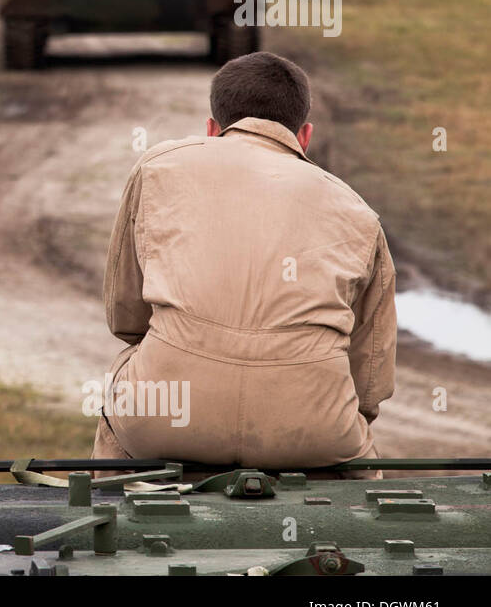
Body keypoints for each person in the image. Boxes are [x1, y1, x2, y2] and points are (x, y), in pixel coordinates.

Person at [92, 52, 396, 469]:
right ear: (303, 136)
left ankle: (116, 517)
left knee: (119, 401)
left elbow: (125, 318)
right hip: (311, 430)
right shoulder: (358, 211)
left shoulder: (158, 166)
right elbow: (370, 379)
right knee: (359, 471)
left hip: (166, 416)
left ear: (212, 130)